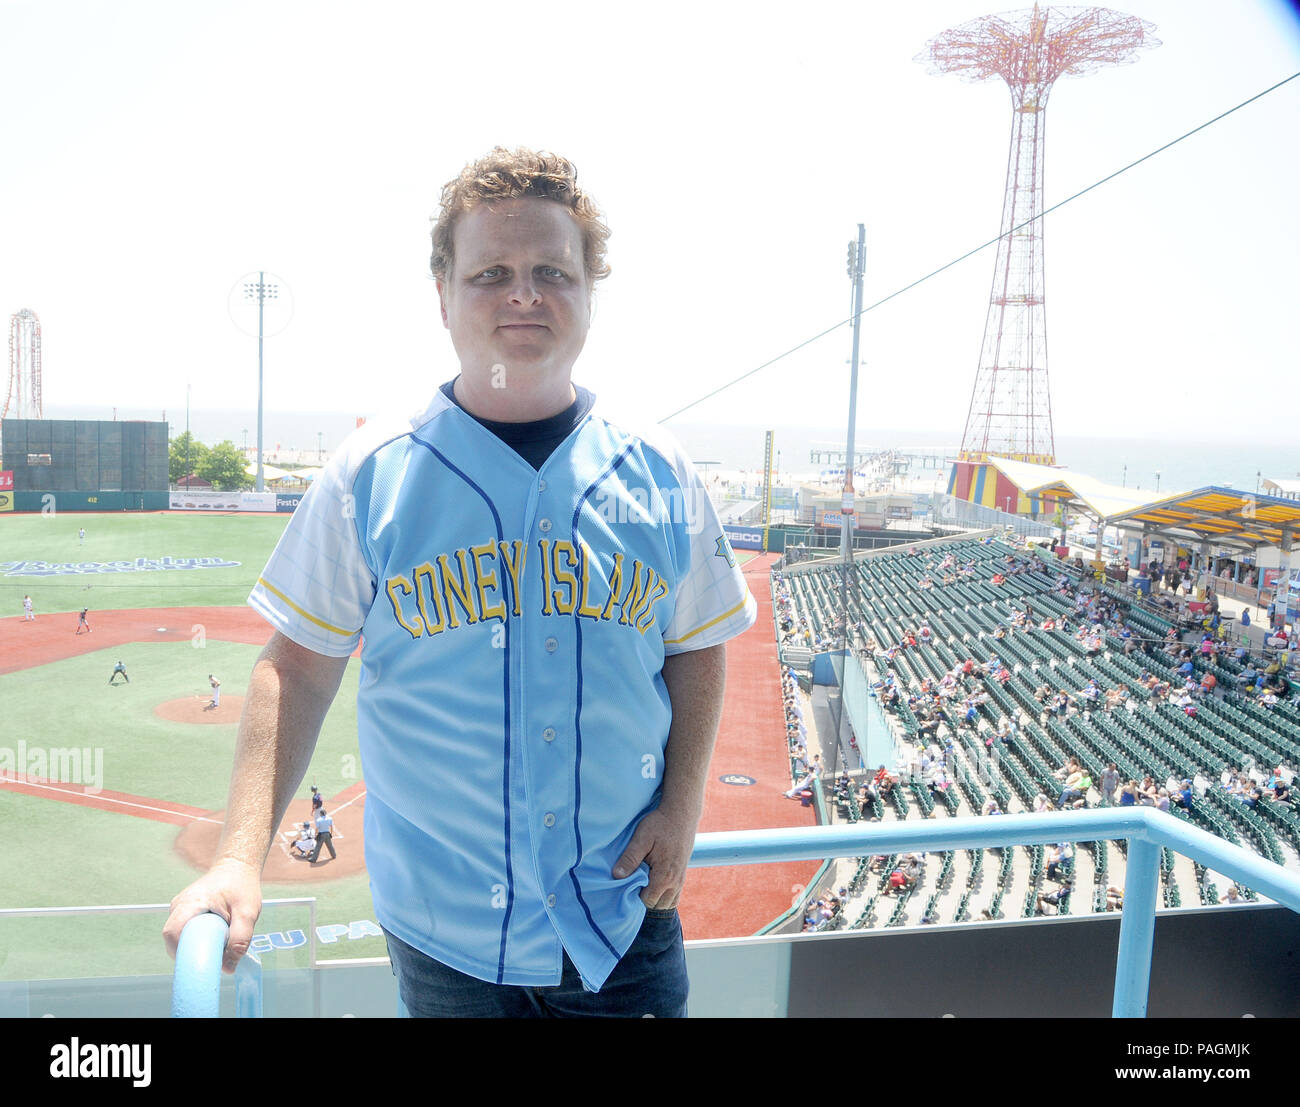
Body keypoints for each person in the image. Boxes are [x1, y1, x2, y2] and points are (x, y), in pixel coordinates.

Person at [163, 147, 756, 1019]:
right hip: (447, 941)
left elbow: (696, 649)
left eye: (552, 269)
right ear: (442, 294)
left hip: (623, 916)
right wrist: (238, 855)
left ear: (590, 290)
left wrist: (684, 800)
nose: (524, 293)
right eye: (491, 273)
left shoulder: (660, 468)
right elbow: (296, 668)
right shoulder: (372, 471)